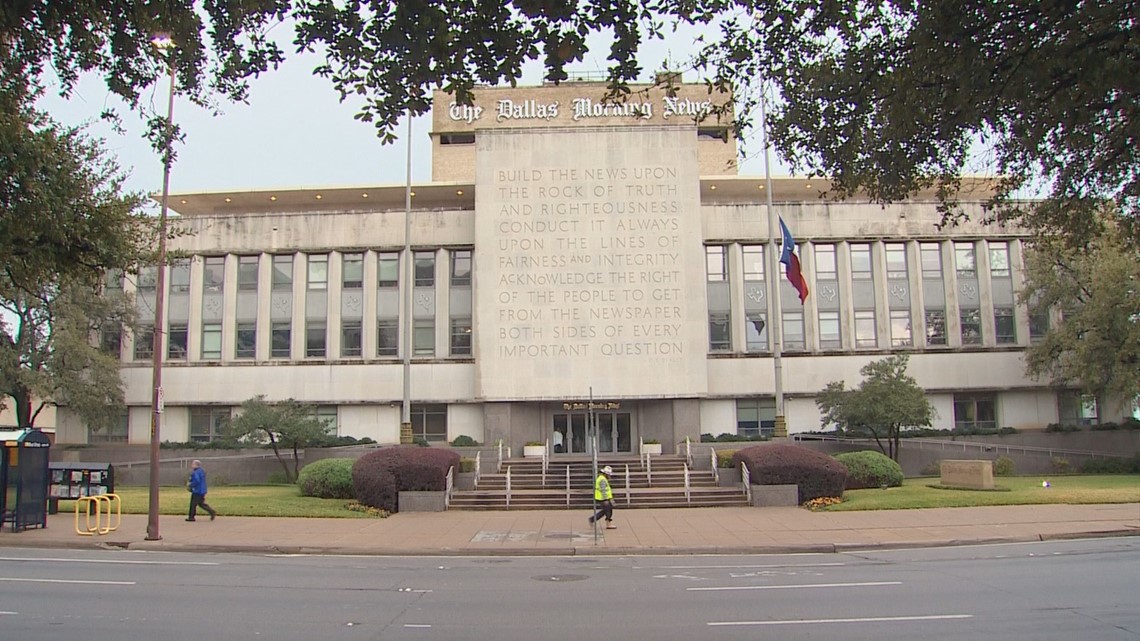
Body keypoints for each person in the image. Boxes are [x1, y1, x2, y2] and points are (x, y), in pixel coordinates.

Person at [587, 465, 616, 529]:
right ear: (606, 474)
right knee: (608, 510)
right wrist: (606, 499)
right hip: (603, 498)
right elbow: (603, 490)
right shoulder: (602, 480)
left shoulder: (601, 478)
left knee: (605, 511)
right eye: (609, 475)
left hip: (602, 498)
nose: (610, 476)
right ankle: (607, 524)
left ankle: (592, 519)